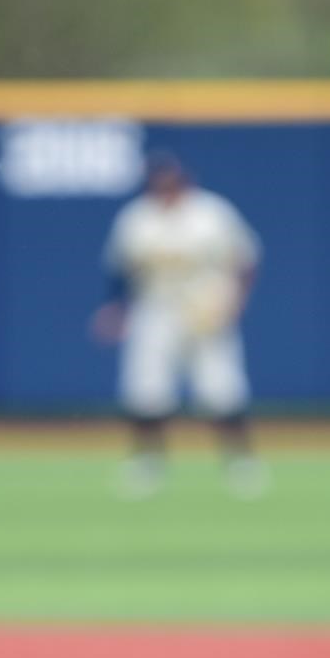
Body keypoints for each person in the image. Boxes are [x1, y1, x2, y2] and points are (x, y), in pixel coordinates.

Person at [91, 153, 263, 498]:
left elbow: (246, 259)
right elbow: (120, 270)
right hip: (156, 309)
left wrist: (236, 302)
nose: (166, 188)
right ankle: (147, 463)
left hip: (206, 308)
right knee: (146, 388)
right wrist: (115, 309)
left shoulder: (211, 213)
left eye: (171, 181)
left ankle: (241, 463)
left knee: (221, 387)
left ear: (184, 181)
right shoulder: (137, 218)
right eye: (160, 182)